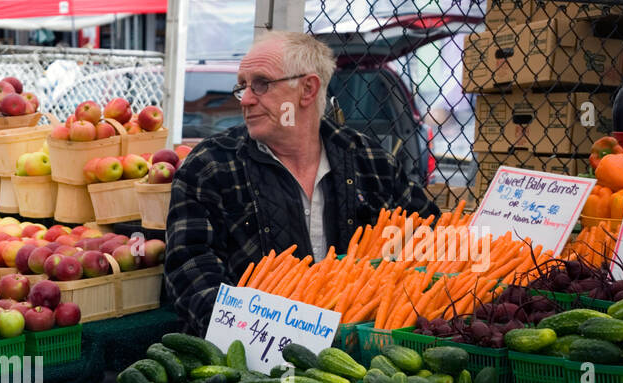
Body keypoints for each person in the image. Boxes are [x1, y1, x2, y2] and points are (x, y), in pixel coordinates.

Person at [164, 31, 438, 336]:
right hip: (252, 350)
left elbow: (428, 231)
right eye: (242, 86)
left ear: (307, 90)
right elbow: (190, 269)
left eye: (261, 84)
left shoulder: (367, 159)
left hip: (359, 346)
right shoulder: (210, 165)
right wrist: (254, 332)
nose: (246, 100)